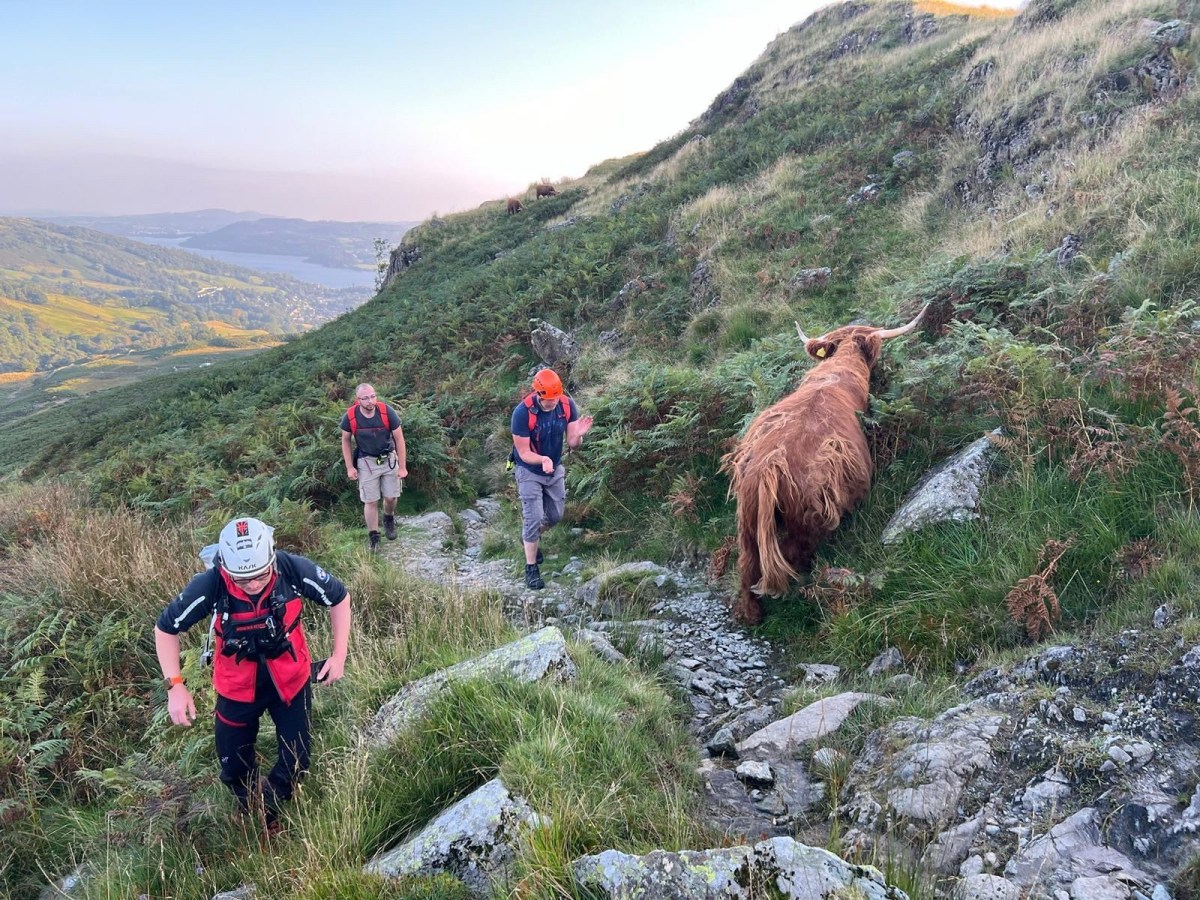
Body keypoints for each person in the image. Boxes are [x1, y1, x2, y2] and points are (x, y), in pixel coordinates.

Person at [154, 516, 351, 829]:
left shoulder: (291, 569)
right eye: (243, 580)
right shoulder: (212, 584)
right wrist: (175, 686)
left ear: (272, 558)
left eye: (260, 576)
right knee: (233, 767)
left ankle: (268, 812)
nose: (254, 584)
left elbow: (339, 597)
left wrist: (339, 656)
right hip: (236, 687)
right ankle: (251, 804)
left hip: (290, 681)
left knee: (297, 762)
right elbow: (166, 628)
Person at [510, 368, 593, 589]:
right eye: (548, 400)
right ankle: (531, 569)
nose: (552, 403)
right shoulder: (522, 413)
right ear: (538, 394)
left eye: (555, 398)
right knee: (533, 517)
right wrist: (542, 459)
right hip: (529, 469)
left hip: (554, 468)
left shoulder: (566, 405)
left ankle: (529, 537)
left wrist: (579, 435)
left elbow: (573, 445)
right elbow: (524, 452)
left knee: (555, 516)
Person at [340, 383, 408, 552]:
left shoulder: (386, 412)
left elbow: (399, 439)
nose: (370, 401)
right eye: (366, 398)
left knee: (391, 497)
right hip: (366, 461)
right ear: (358, 400)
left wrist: (403, 467)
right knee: (370, 500)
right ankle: (374, 537)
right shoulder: (351, 416)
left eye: (373, 396)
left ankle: (388, 518)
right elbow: (345, 440)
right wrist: (350, 467)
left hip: (388, 459)